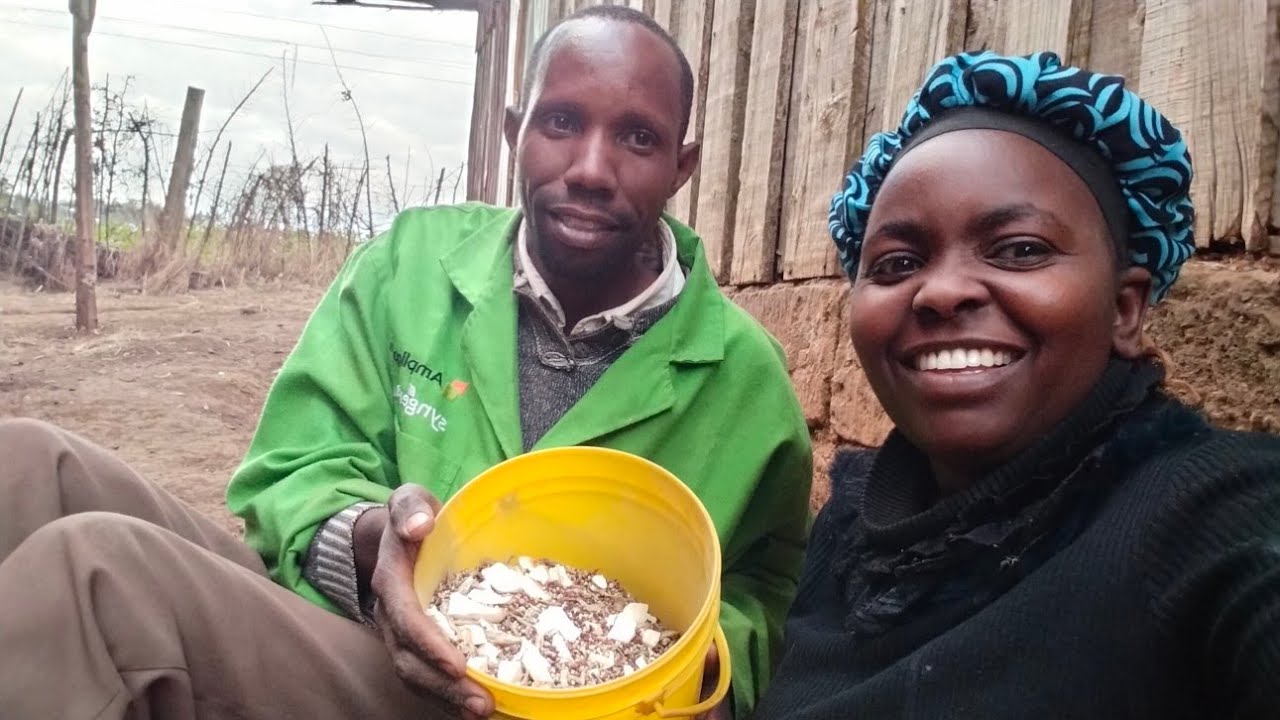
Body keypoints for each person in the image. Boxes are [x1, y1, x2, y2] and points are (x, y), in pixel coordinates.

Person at [0, 7, 812, 720]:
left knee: (98, 576)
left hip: (500, 703)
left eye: (637, 137)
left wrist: (692, 674)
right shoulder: (413, 262)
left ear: (683, 164)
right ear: (514, 132)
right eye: (561, 122)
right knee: (28, 462)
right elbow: (291, 469)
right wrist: (372, 541)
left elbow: (764, 598)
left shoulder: (742, 377)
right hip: (357, 629)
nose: (593, 168)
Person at [750, 51, 1280, 719]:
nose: (941, 292)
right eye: (898, 263)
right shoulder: (853, 520)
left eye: (1020, 249)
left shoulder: (1215, 520)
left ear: (1125, 310)